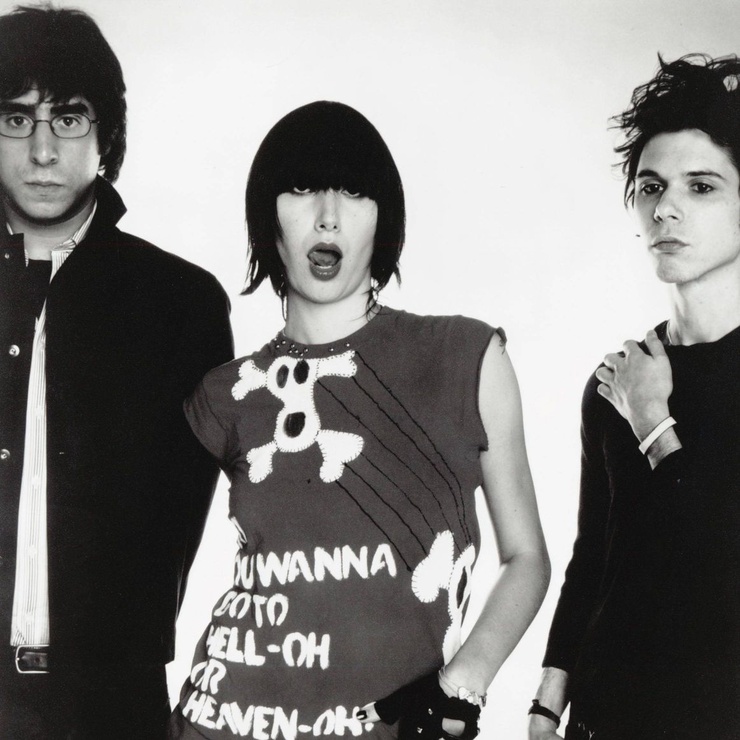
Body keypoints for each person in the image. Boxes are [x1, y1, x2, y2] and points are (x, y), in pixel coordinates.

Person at [169, 100, 549, 740]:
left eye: (353, 191)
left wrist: (460, 689)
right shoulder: (225, 392)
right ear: (268, 218)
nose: (327, 215)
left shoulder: (465, 356)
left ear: (384, 218)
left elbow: (527, 556)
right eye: (301, 189)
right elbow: (140, 566)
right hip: (221, 723)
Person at [0, 5, 234, 738]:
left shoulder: (181, 305)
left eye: (68, 119)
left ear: (107, 138)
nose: (42, 151)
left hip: (113, 704)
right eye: (16, 119)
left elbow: (182, 528)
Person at [529, 54, 740, 740]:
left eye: (701, 186)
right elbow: (596, 554)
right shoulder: (618, 378)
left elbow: (721, 564)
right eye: (651, 187)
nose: (666, 208)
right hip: (602, 720)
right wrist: (547, 699)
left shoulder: (638, 393)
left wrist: (654, 424)